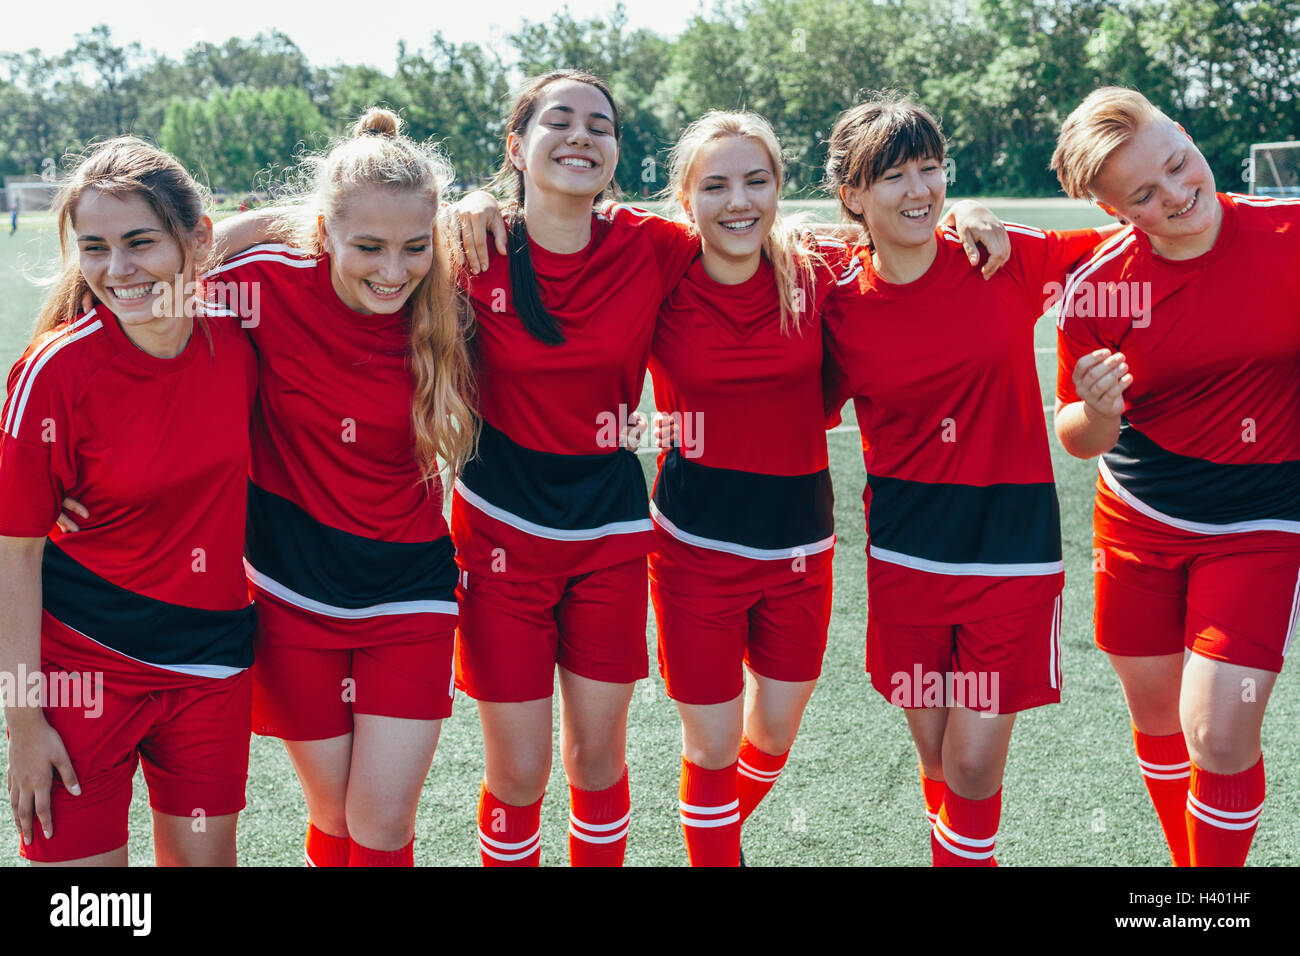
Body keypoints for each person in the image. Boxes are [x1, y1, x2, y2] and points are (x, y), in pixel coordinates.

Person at [821, 93, 1117, 866]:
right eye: (893, 176)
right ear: (851, 194)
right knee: (937, 761)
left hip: (1011, 553)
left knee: (975, 763)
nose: (921, 190)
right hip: (907, 556)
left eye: (932, 169)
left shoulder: (999, 258)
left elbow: (1132, 243)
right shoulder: (836, 301)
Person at [204, 108, 477, 866]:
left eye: (413, 247)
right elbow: (158, 269)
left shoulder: (449, 302)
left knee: (381, 823)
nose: (394, 270)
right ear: (323, 233)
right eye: (369, 246)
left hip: (409, 594)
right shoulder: (263, 286)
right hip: (293, 592)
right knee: (333, 816)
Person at [449, 70, 700, 866]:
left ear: (617, 154)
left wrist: (964, 215)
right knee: (519, 774)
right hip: (498, 533)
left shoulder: (651, 246)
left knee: (597, 761)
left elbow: (762, 227)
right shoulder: (467, 246)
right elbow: (335, 225)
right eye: (561, 120)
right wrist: (456, 202)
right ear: (517, 147)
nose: (583, 135)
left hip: (609, 530)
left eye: (602, 124)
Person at [1050, 87, 1300, 866]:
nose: (1179, 193)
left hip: (1262, 517)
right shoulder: (1098, 288)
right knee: (1158, 718)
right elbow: (1076, 438)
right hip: (1137, 518)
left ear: (1186, 133)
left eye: (1178, 163)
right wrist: (1098, 409)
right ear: (1115, 210)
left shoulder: (1289, 235)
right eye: (1145, 195)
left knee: (1218, 731)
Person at [0, 137, 257, 866]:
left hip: (210, 663)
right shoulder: (54, 372)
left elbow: (324, 221)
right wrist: (23, 723)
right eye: (95, 247)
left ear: (196, 239)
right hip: (82, 666)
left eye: (140, 242)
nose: (118, 270)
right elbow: (13, 552)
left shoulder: (237, 338)